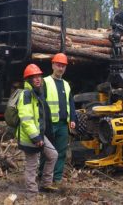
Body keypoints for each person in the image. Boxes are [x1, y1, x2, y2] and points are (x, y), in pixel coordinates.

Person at [17, 63, 59, 194]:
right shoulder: (26, 95)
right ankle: (32, 192)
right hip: (30, 136)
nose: (37, 79)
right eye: (33, 77)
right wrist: (36, 137)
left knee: (53, 155)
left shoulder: (38, 93)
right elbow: (26, 119)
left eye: (39, 76)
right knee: (32, 164)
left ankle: (46, 183)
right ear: (28, 80)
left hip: (39, 134)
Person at [40, 53, 77, 186]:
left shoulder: (66, 85)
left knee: (61, 152)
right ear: (53, 65)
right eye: (58, 65)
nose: (60, 68)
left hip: (62, 124)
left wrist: (72, 118)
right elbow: (41, 103)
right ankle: (42, 176)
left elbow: (70, 103)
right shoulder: (45, 81)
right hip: (49, 124)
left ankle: (57, 178)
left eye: (63, 66)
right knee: (47, 152)